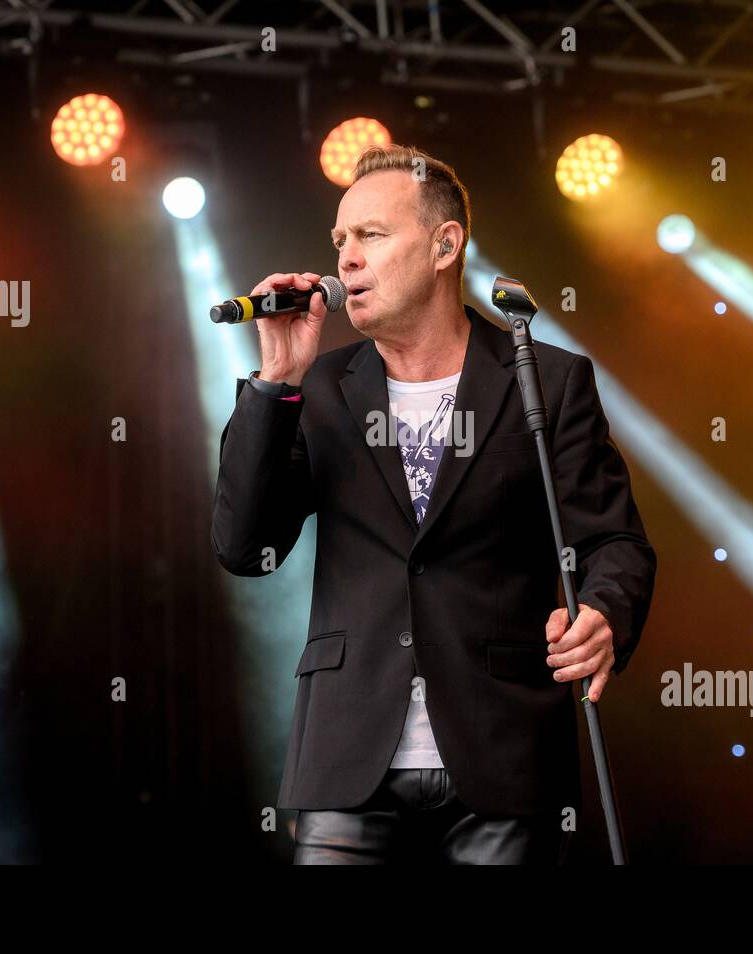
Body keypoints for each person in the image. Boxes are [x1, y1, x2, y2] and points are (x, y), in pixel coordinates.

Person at [212, 143, 656, 864]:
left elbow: (614, 542)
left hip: (503, 757)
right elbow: (241, 545)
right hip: (345, 760)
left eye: (371, 236)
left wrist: (604, 610)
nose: (346, 259)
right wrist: (275, 381)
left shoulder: (546, 379)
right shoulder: (317, 390)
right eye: (339, 242)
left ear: (445, 245)